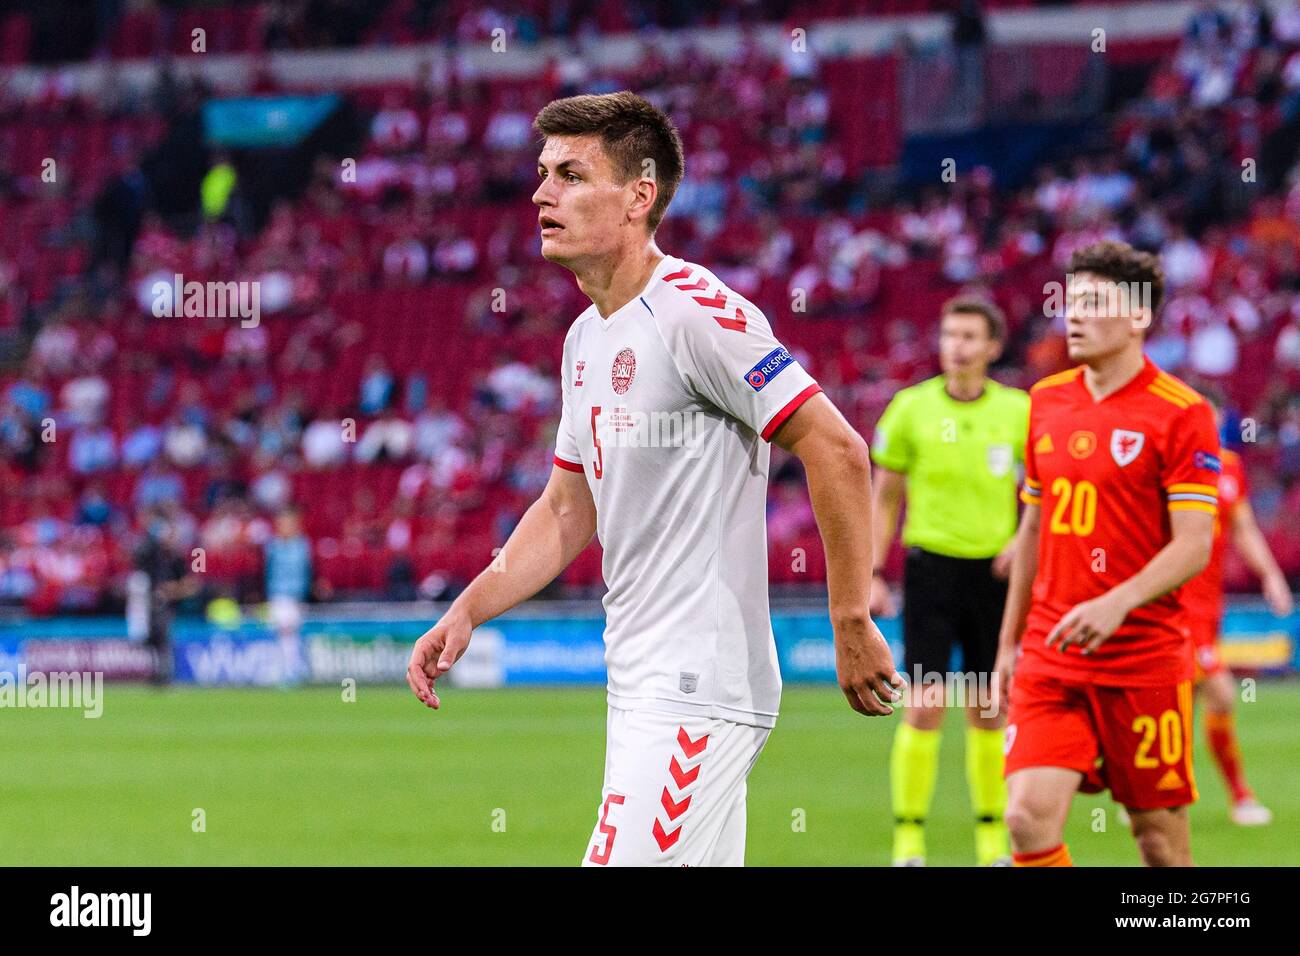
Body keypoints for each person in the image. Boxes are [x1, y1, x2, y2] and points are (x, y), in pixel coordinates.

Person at [406, 91, 902, 867]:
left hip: (697, 685)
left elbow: (837, 448)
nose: (541, 194)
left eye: (571, 175)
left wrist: (850, 619)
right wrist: (468, 609)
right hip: (639, 679)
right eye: (542, 173)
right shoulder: (584, 339)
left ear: (639, 196)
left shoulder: (697, 314)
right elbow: (567, 508)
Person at [995, 240, 1219, 866]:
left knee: (1158, 841)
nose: (1075, 315)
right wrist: (1010, 643)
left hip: (1143, 657)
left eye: (1094, 302)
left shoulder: (1183, 413)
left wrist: (1116, 603)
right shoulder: (1046, 401)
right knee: (1026, 818)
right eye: (1072, 302)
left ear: (1139, 315)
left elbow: (1194, 545)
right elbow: (1033, 529)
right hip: (1052, 651)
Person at [870, 296, 1028, 867]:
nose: (956, 346)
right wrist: (873, 572)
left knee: (989, 706)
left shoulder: (1019, 411)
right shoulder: (910, 409)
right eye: (948, 334)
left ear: (992, 347)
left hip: (994, 575)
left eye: (968, 336)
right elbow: (884, 497)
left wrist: (1022, 539)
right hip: (931, 570)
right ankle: (909, 840)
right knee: (926, 703)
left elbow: (1047, 490)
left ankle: (992, 842)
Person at [1179, 391, 1294, 825]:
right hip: (1173, 605)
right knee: (1220, 692)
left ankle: (1156, 788)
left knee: (1183, 698)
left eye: (1213, 418)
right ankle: (1240, 795)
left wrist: (1270, 576)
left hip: (1210, 606)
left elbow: (1244, 528)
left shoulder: (1229, 468)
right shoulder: (1166, 467)